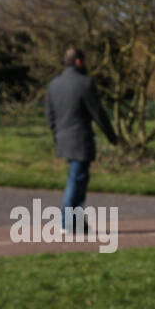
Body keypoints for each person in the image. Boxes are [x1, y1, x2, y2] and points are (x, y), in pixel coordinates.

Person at [45, 47, 118, 234]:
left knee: (80, 178)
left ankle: (77, 221)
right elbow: (98, 113)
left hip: (63, 138)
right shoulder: (85, 83)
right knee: (76, 179)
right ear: (78, 61)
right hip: (80, 139)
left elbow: (50, 116)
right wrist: (112, 136)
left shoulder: (54, 84)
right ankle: (66, 222)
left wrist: (56, 135)